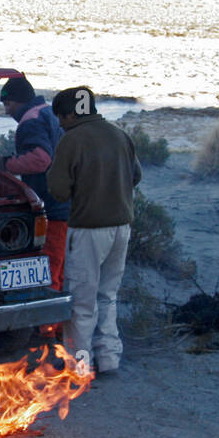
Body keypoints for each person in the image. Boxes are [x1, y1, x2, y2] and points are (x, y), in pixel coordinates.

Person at [45, 86, 141, 377]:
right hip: (121, 228)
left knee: (81, 300)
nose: (60, 123)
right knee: (107, 295)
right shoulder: (119, 134)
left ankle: (79, 365)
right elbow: (136, 176)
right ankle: (109, 358)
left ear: (72, 114)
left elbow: (59, 191)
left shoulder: (72, 140)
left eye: (61, 117)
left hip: (88, 229)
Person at [0, 75, 69, 292]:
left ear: (17, 101)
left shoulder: (30, 121)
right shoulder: (49, 113)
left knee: (47, 271)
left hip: (51, 208)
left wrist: (5, 164)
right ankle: (59, 325)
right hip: (66, 205)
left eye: (7, 104)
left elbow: (40, 159)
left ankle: (46, 326)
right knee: (60, 269)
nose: (7, 111)